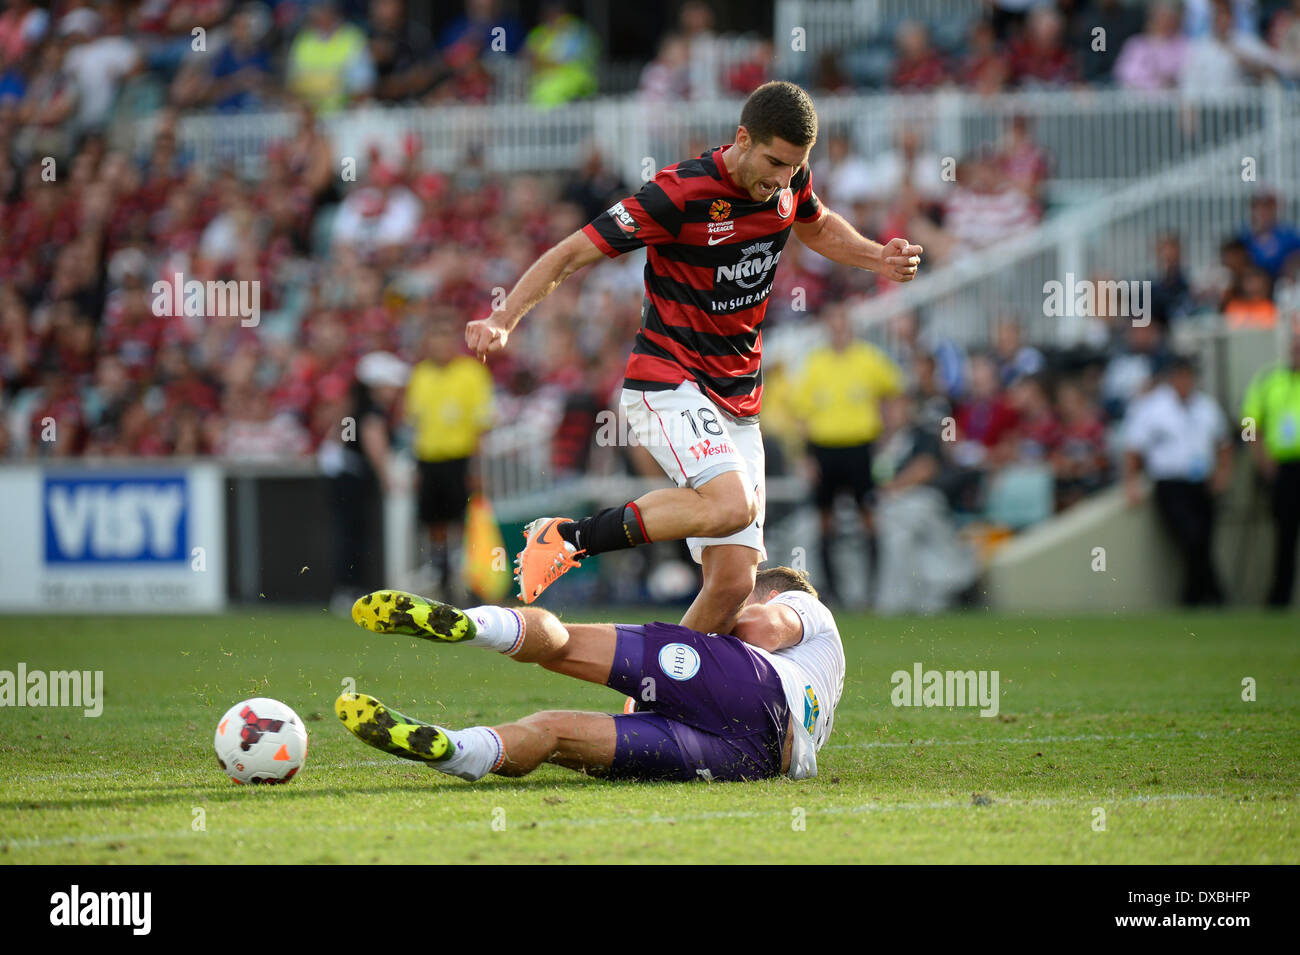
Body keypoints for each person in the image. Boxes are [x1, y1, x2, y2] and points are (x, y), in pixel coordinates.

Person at [464, 81, 922, 634]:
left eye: (795, 166)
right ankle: (568, 538)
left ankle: (657, 698)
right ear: (742, 138)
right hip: (668, 380)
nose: (782, 178)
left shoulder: (789, 178)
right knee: (734, 506)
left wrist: (878, 258)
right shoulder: (677, 194)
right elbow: (572, 252)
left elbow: (816, 224)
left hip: (740, 397)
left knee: (732, 584)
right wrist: (503, 318)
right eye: (774, 162)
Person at [335, 565, 843, 783]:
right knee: (553, 733)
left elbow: (758, 624)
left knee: (563, 645)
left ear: (773, 590)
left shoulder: (801, 604)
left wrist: (712, 616)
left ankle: (470, 624)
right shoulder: (828, 680)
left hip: (753, 687)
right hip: (750, 761)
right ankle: (454, 750)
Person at [790, 305, 903, 604]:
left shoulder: (869, 359)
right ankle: (833, 591)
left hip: (859, 447)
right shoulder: (815, 363)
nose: (838, 329)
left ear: (850, 327)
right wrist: (806, 456)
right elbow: (801, 413)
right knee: (825, 521)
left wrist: (888, 432)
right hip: (824, 448)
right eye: (833, 323)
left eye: (842, 323)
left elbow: (894, 394)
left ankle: (871, 592)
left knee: (868, 517)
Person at [1123, 354, 1233, 606]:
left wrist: (1222, 474)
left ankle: (1195, 597)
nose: (1185, 381)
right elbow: (1134, 449)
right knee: (1191, 537)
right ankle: (1214, 595)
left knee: (1203, 539)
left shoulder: (1206, 407)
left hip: (1201, 484)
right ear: (1172, 378)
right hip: (1171, 485)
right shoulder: (1153, 408)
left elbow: (1224, 443)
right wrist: (1131, 484)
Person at [406, 318, 495, 601]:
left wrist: (476, 466)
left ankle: (471, 581)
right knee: (435, 523)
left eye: (445, 338)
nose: (440, 345)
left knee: (465, 522)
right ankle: (443, 579)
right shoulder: (420, 374)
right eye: (435, 339)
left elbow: (481, 424)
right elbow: (415, 423)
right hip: (429, 459)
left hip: (460, 458)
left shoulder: (471, 373)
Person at [1240, 327, 1300, 607]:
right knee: (1284, 535)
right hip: (1283, 467)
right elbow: (1250, 422)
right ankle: (1279, 599)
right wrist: (1260, 457)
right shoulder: (1270, 380)